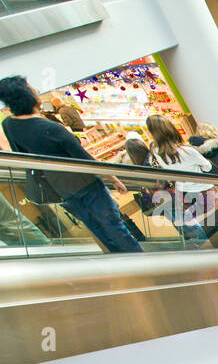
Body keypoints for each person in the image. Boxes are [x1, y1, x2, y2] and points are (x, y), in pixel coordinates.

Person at [0, 75, 143, 252]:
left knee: (96, 228)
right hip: (86, 184)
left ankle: (121, 259)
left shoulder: (9, 125)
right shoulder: (51, 128)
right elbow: (86, 160)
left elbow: (23, 156)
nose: (36, 92)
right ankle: (137, 258)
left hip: (60, 189)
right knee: (114, 227)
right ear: (26, 96)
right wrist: (113, 179)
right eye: (32, 89)